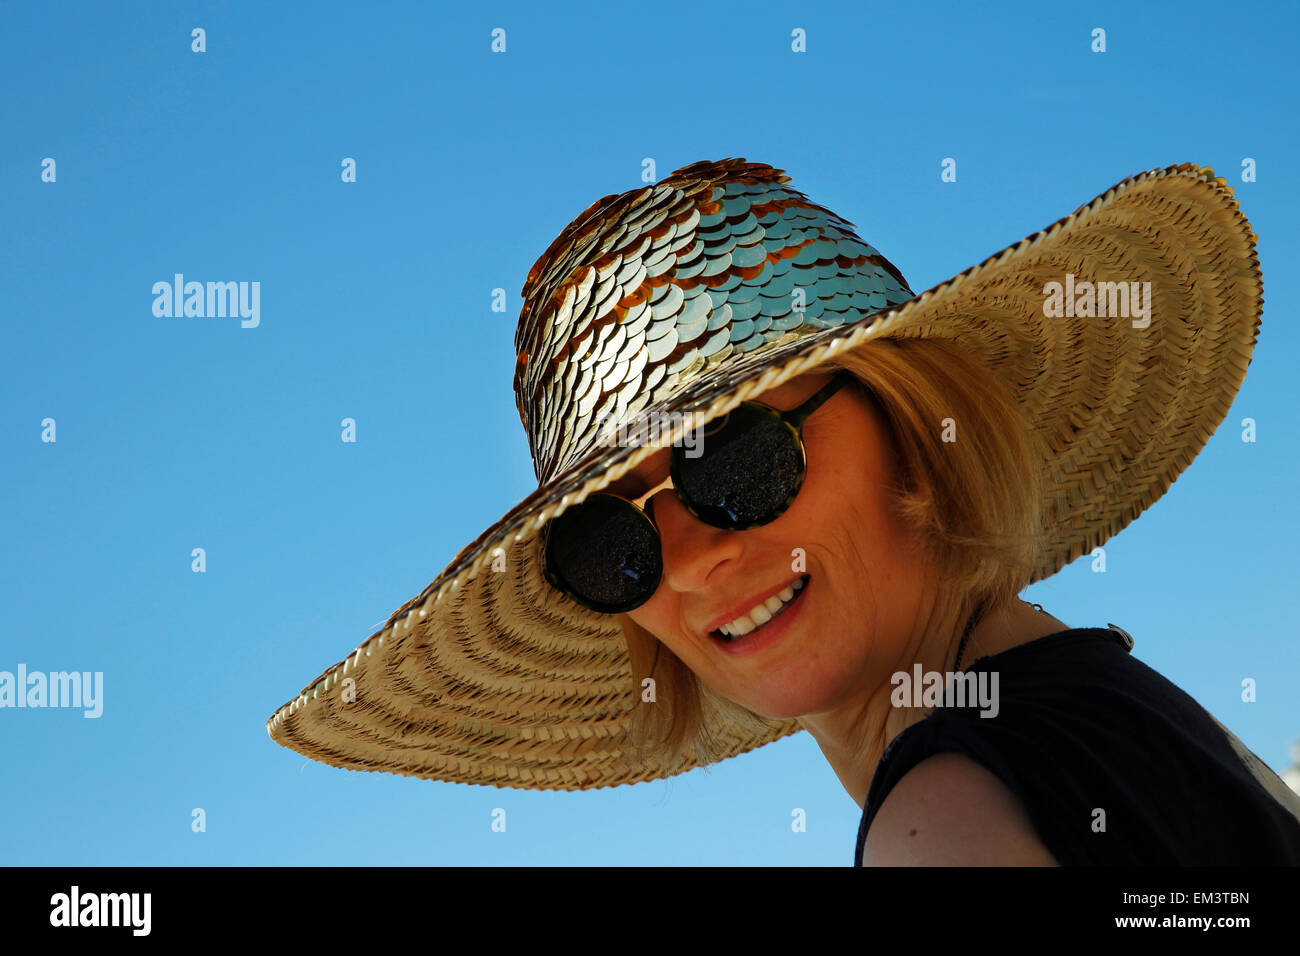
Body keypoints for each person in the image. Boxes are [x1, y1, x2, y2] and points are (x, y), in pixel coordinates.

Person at [267, 157, 1300, 865]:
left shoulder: (940, 818)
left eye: (736, 457)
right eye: (608, 539)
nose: (687, 563)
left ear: (911, 425)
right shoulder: (1157, 731)